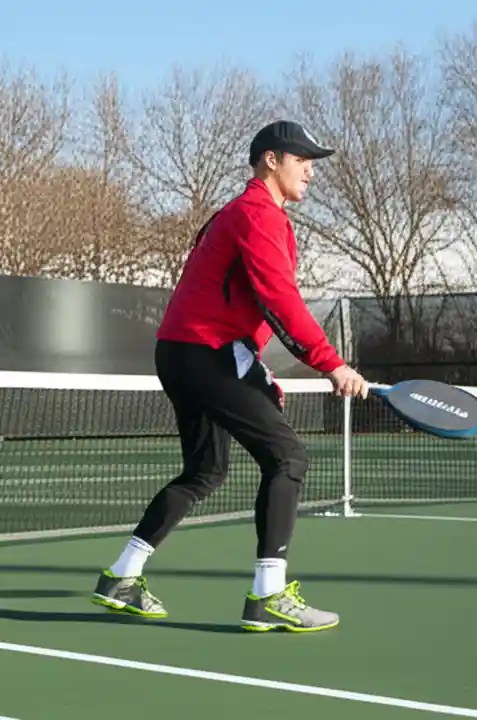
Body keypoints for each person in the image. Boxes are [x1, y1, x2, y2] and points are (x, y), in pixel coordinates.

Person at [90, 120, 369, 632]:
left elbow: (239, 304)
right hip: (203, 352)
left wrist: (254, 370)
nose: (310, 170)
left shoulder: (242, 215)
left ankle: (121, 576)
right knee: (288, 457)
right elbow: (279, 299)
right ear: (270, 160)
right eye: (301, 158)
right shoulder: (256, 214)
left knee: (205, 470)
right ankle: (269, 594)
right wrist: (331, 362)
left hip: (186, 352)